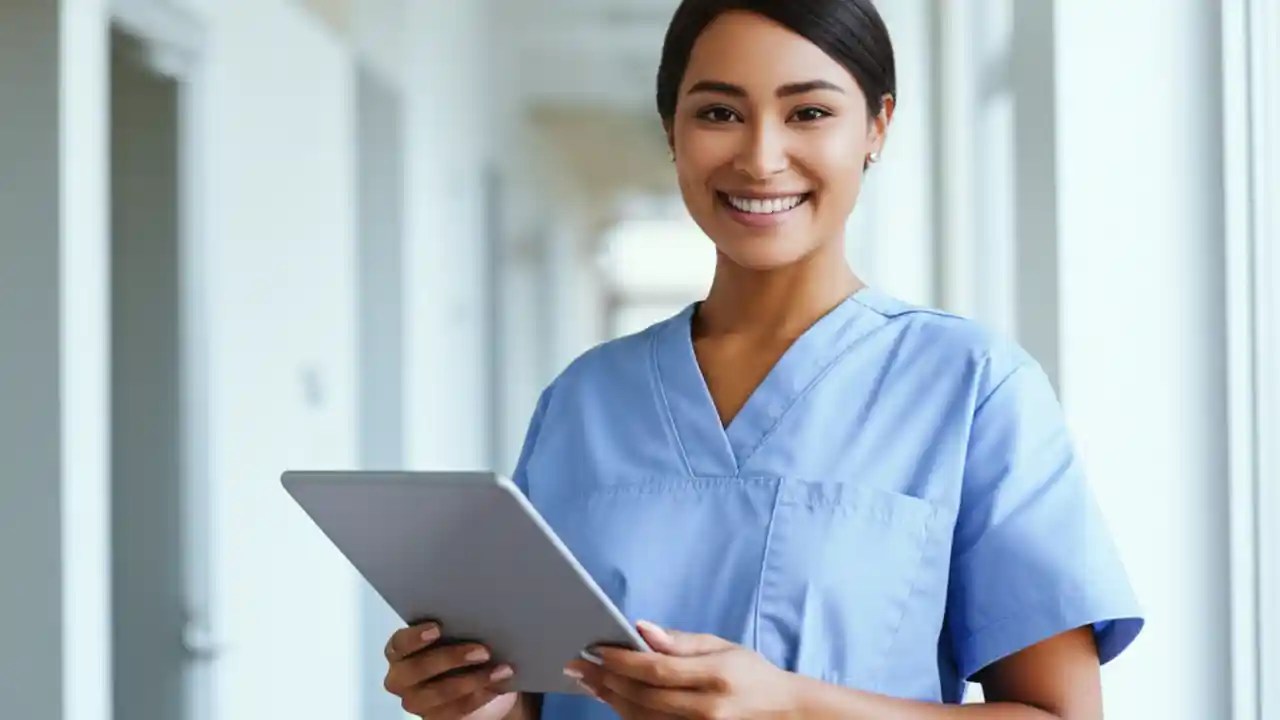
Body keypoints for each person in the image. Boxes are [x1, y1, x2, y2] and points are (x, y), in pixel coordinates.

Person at [381, 0, 1144, 717]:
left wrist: (793, 704)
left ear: (877, 126)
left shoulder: (973, 387)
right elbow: (546, 697)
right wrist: (482, 702)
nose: (760, 156)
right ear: (672, 131)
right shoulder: (584, 399)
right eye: (718, 113)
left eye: (808, 112)